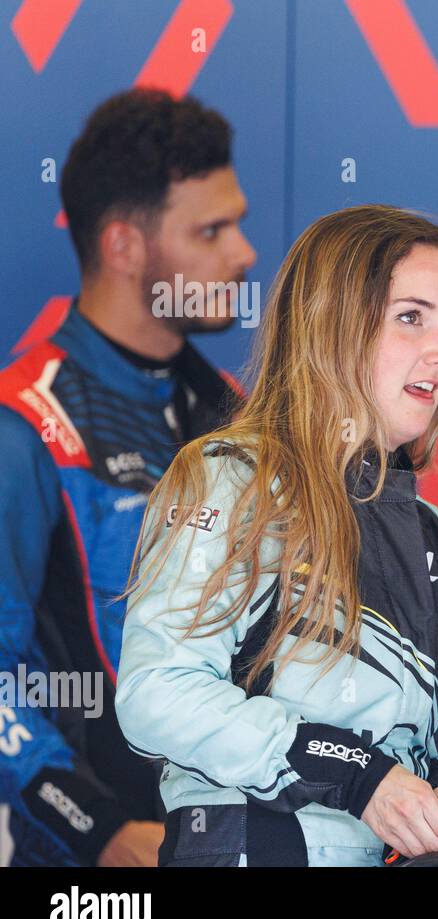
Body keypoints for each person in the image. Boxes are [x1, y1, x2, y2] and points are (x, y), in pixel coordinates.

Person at [114, 205, 438, 866]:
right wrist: (355, 774)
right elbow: (157, 695)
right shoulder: (229, 482)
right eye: (411, 317)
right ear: (331, 323)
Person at [0, 89, 253, 866]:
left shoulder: (240, 416)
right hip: (92, 869)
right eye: (210, 231)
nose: (242, 253)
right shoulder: (29, 424)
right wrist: (100, 830)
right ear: (124, 246)